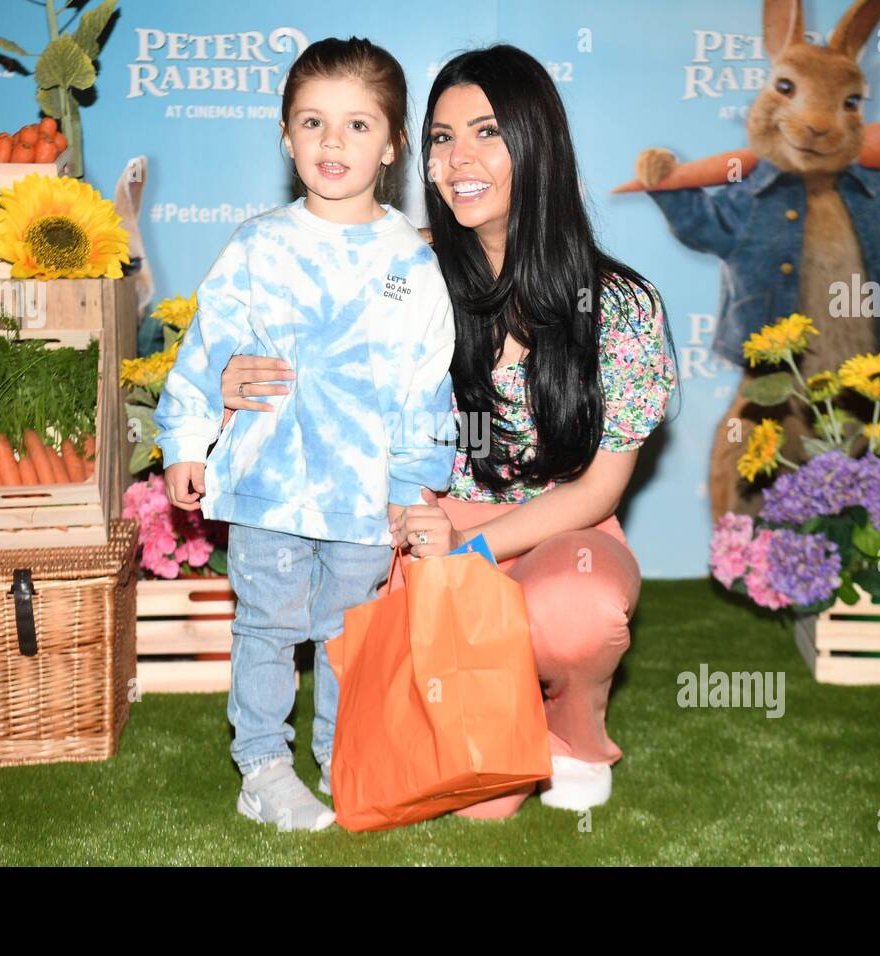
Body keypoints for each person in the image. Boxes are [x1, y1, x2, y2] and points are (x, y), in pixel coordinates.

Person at [224, 44, 680, 820]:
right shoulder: (402, 269)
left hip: (555, 531)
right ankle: (505, 707)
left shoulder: (622, 306)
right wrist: (235, 379)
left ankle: (572, 732)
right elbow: (307, 356)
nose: (457, 158)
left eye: (486, 132)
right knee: (480, 803)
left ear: (537, 143)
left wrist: (472, 548)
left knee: (578, 609)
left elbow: (600, 486)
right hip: (417, 531)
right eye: (440, 137)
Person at [154, 36, 457, 832]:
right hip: (267, 485)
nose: (334, 143)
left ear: (394, 145)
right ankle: (262, 766)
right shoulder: (258, 246)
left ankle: (342, 756)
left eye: (359, 126)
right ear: (286, 136)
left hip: (361, 499)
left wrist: (407, 489)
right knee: (266, 627)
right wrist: (188, 439)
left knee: (346, 637)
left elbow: (428, 387)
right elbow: (207, 346)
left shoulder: (415, 265)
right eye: (314, 121)